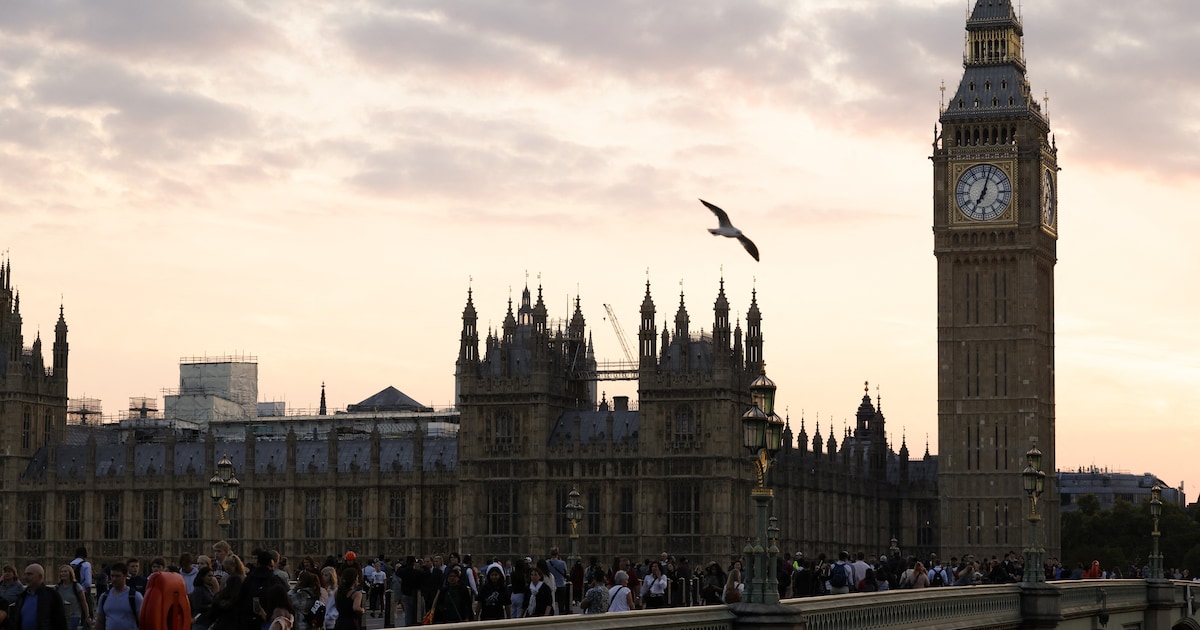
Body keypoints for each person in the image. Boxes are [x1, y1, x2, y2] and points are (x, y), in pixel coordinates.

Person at [10, 564, 68, 630]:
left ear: (40, 576)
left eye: (29, 574)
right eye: (25, 574)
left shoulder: (53, 596)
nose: (25, 577)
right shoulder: (22, 597)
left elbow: (61, 623)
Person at [95, 562, 143, 630]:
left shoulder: (135, 597)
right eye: (112, 576)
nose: (114, 579)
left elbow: (142, 622)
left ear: (125, 576)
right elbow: (100, 621)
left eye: (118, 576)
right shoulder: (104, 597)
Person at [56, 564, 90, 630]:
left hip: (74, 616)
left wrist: (87, 617)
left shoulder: (76, 586)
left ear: (70, 573)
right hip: (61, 616)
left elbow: (83, 602)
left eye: (65, 571)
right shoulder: (57, 587)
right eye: (61, 572)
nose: (63, 573)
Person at [190, 566, 220, 630]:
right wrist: (210, 606)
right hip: (200, 622)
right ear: (203, 577)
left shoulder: (208, 589)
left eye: (212, 576)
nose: (211, 578)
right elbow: (197, 606)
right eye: (209, 576)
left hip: (208, 622)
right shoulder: (198, 589)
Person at [545, 548, 568, 615]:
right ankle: (561, 615)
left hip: (551, 585)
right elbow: (565, 573)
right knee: (561, 603)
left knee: (551, 602)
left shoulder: (547, 563)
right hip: (561, 584)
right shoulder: (562, 563)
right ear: (558, 554)